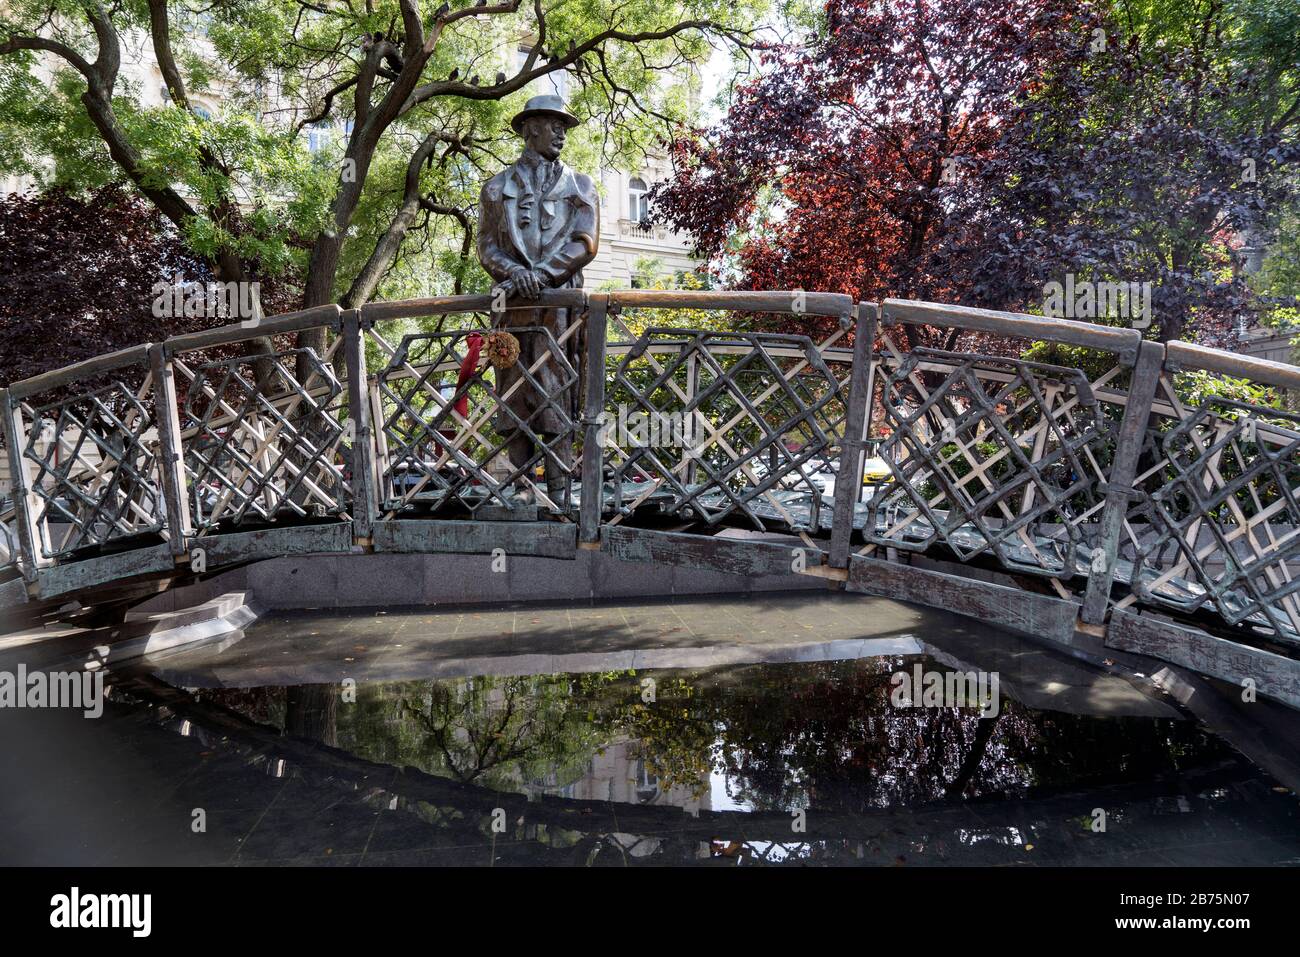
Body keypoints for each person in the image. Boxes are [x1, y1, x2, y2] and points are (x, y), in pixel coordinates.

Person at [476, 95, 600, 505]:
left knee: (557, 393)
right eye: (553, 124)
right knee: (514, 398)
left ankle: (561, 498)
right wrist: (517, 274)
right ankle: (518, 491)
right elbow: (488, 248)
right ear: (530, 129)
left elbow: (586, 241)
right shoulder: (496, 188)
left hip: (559, 308)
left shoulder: (580, 186)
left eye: (564, 125)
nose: (561, 132)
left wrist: (542, 276)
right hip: (512, 308)